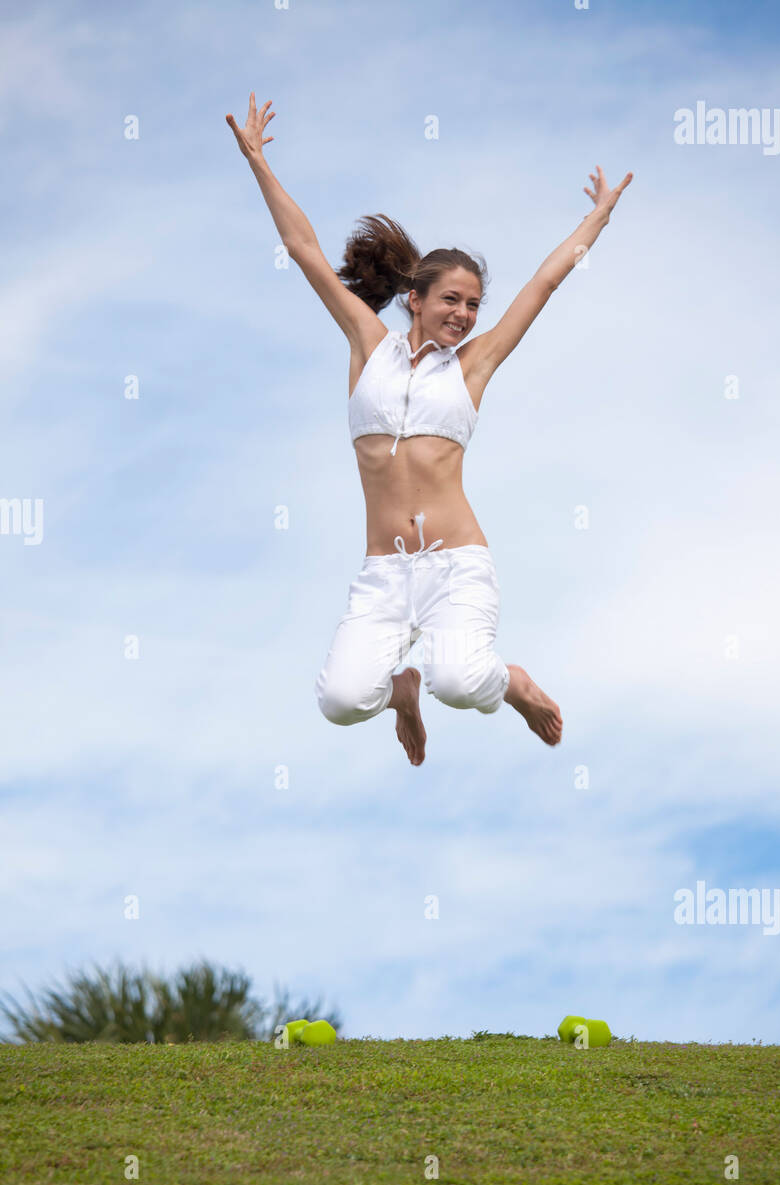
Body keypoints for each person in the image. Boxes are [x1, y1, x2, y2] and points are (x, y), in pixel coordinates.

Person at [227, 94, 632, 766]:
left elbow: (544, 282)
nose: (465, 314)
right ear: (414, 298)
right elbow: (302, 249)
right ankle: (398, 693)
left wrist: (598, 216)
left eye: (473, 304)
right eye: (451, 299)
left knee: (463, 681)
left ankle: (517, 686)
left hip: (456, 566)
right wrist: (259, 161)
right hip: (385, 573)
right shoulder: (367, 343)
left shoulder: (474, 366)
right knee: (339, 701)